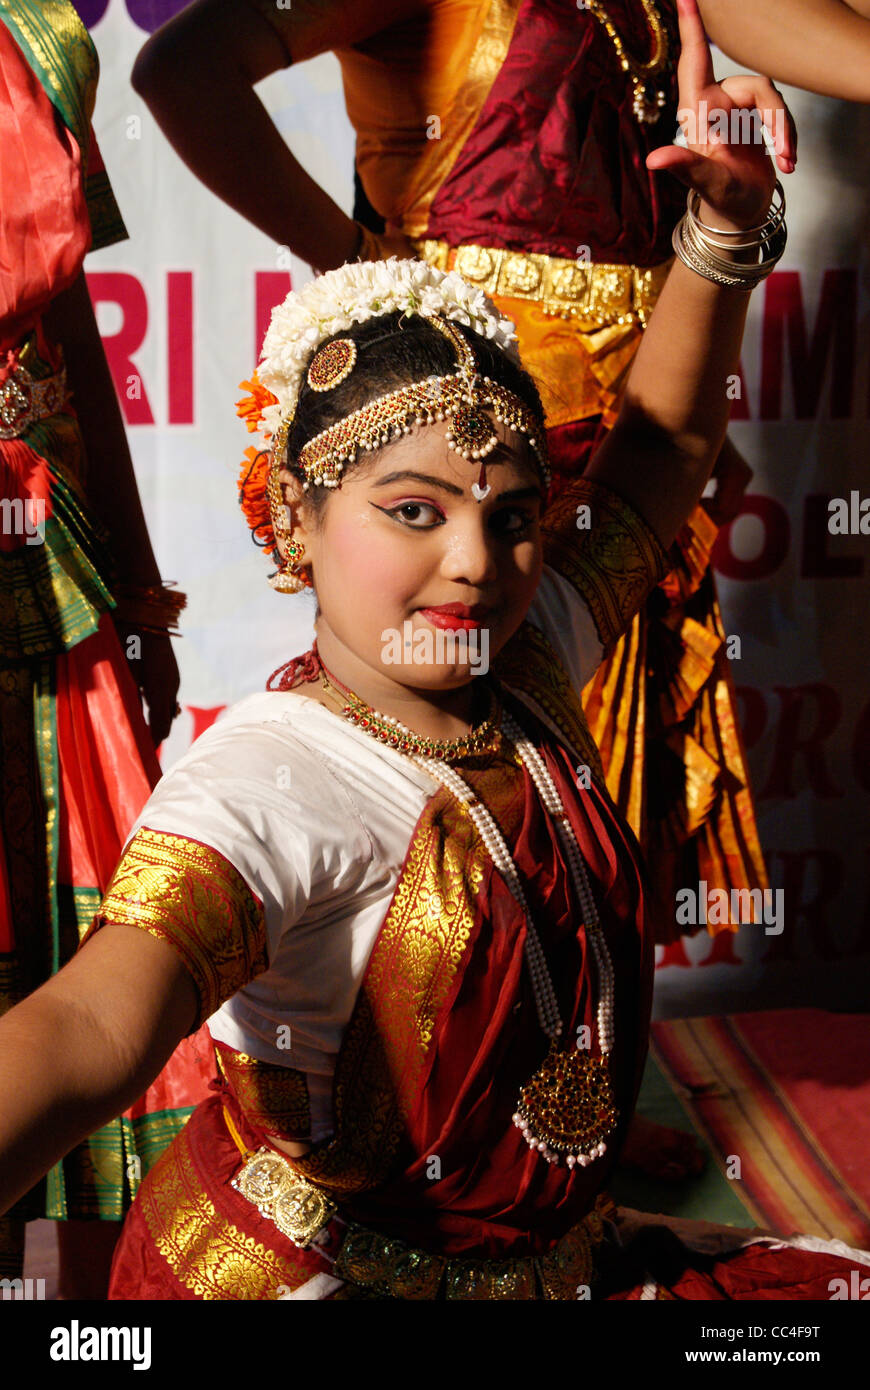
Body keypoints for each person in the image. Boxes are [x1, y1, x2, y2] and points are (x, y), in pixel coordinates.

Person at [0, 2, 866, 1299]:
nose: (474, 561)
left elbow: (655, 456)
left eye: (513, 516)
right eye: (412, 510)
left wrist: (726, 227)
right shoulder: (272, 786)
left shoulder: (527, 662)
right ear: (292, 513)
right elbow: (83, 1025)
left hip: (540, 1256)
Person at [0, 0, 213, 1295]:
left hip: (46, 572)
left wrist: (135, 586)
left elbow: (70, 335)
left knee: (70, 981)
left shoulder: (38, 37)